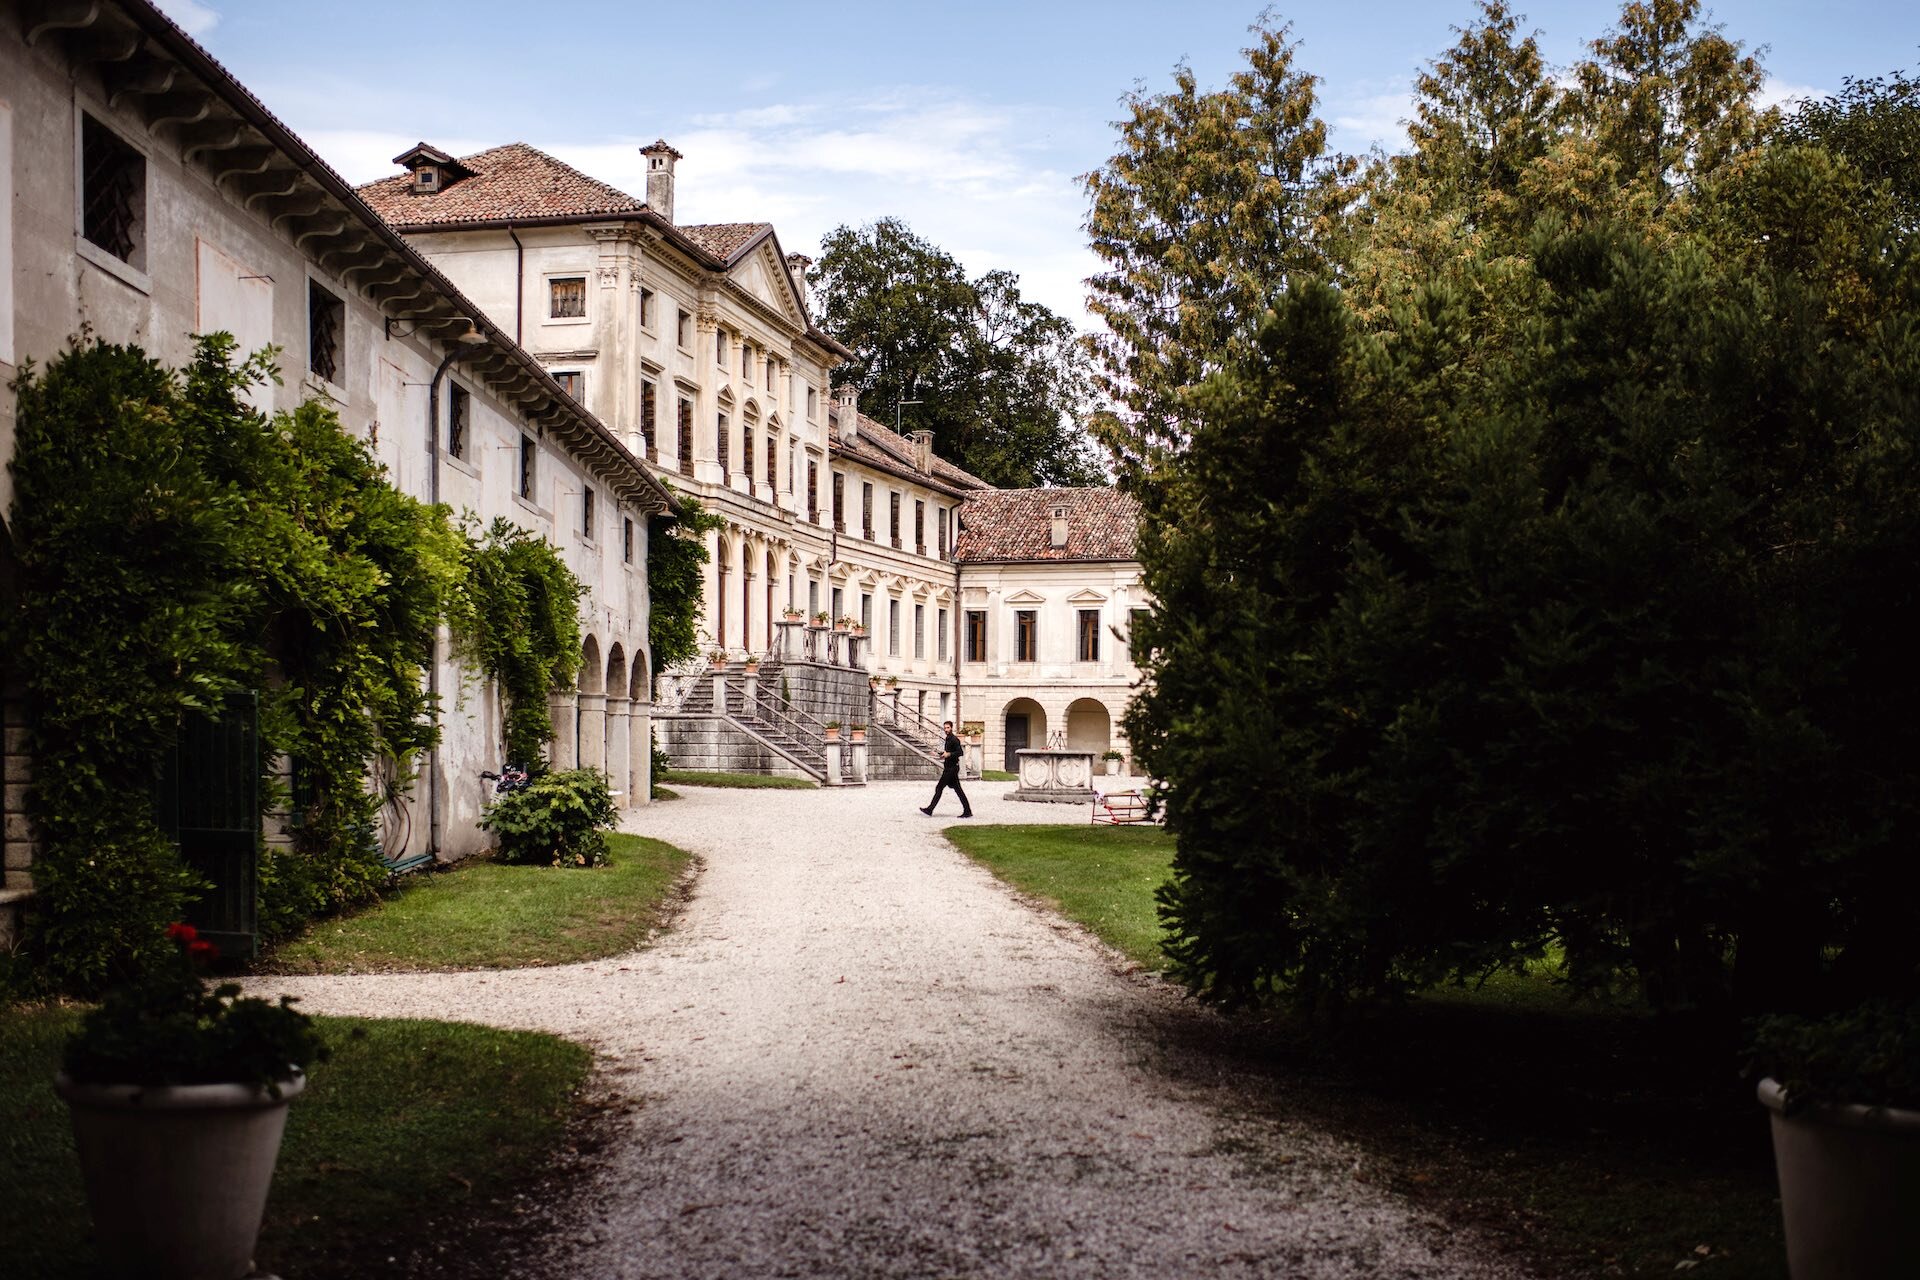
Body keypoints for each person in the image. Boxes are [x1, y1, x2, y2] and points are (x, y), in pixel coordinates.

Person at [920, 720, 972, 818]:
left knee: (939, 788)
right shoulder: (948, 739)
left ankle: (930, 809)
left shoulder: (954, 739)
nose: (946, 730)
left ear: (951, 728)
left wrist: (949, 754)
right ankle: (967, 810)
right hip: (949, 767)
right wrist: (938, 754)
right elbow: (947, 753)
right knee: (958, 790)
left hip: (951, 769)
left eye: (948, 728)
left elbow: (960, 752)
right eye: (945, 728)